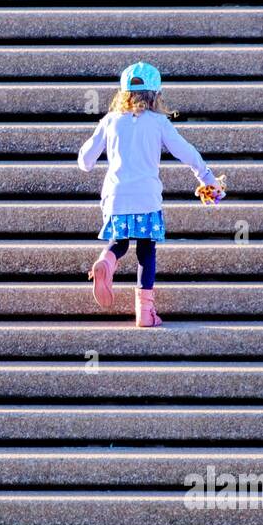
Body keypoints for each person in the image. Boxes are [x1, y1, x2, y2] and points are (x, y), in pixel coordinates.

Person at [77, 62, 226, 327]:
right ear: (156, 94)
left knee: (119, 243)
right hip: (146, 198)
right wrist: (207, 179)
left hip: (116, 196)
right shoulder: (159, 122)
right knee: (146, 249)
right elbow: (187, 152)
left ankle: (105, 262)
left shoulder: (110, 120)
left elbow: (85, 160)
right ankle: (145, 313)